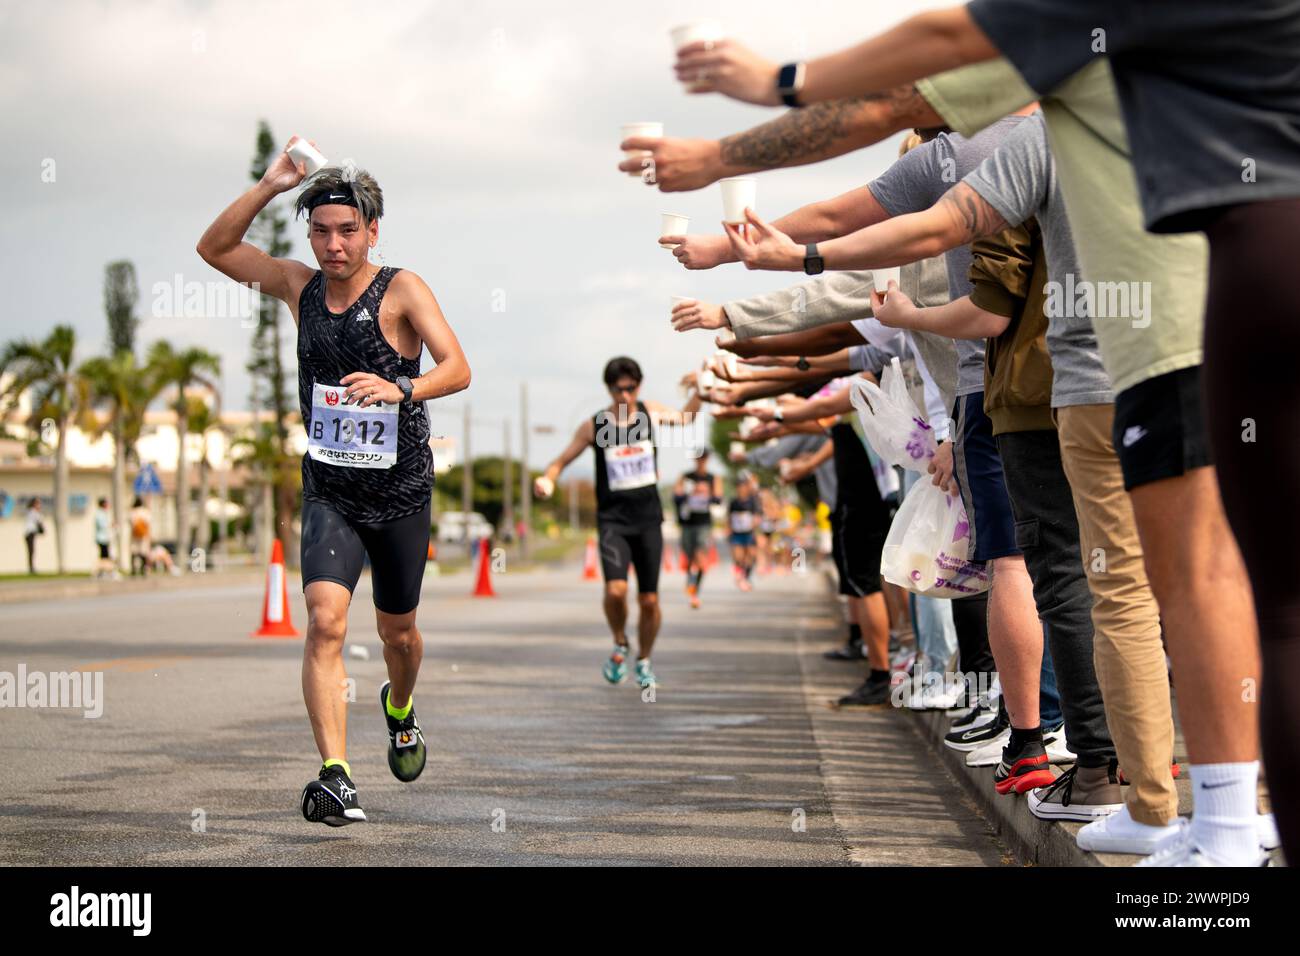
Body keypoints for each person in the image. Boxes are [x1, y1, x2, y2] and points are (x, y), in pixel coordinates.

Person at [197, 136, 471, 827]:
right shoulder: (299, 287)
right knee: (324, 621)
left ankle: (400, 709)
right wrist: (269, 184)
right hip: (330, 491)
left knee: (399, 635)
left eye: (347, 230)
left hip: (402, 492)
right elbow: (216, 250)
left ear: (372, 229)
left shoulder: (402, 288)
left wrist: (400, 387)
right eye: (320, 230)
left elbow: (458, 368)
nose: (333, 244)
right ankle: (337, 775)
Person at [535, 357, 702, 689]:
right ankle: (619, 641)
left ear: (638, 386)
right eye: (617, 389)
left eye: (630, 388)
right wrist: (547, 479)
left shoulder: (649, 412)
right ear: (608, 390)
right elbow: (561, 461)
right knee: (615, 590)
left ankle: (643, 659)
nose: (624, 395)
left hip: (648, 521)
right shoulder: (595, 426)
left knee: (649, 600)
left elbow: (687, 418)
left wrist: (702, 388)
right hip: (613, 522)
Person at [673, 447, 723, 608]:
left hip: (704, 523)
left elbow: (718, 499)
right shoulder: (685, 477)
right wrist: (691, 491)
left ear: (707, 459)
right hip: (687, 523)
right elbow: (676, 496)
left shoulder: (713, 478)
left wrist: (707, 493)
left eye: (703, 458)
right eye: (697, 458)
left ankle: (695, 592)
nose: (700, 461)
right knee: (689, 558)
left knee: (700, 557)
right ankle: (690, 579)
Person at [727, 472, 760, 591]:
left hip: (749, 533)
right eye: (739, 486)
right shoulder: (733, 502)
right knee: (739, 557)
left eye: (743, 485)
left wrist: (755, 523)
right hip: (737, 534)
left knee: (750, 555)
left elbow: (757, 515)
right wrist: (728, 530)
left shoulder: (753, 501)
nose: (741, 488)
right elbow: (729, 517)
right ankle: (741, 576)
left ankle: (745, 577)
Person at [93, 497, 117, 579]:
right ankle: (105, 572)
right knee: (105, 556)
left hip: (105, 538)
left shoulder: (104, 513)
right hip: (101, 538)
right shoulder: (99, 513)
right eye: (106, 503)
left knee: (104, 556)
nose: (108, 505)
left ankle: (103, 572)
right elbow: (102, 525)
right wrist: (111, 525)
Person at [128, 496, 152, 577]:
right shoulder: (145, 511)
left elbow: (130, 522)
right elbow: (148, 522)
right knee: (143, 552)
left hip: (134, 535)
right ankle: (143, 569)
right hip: (143, 536)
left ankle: (134, 570)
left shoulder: (132, 512)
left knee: (134, 552)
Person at [23, 497, 44, 575]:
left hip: (30, 533)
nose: (39, 505)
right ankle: (31, 569)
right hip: (30, 533)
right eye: (38, 504)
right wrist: (42, 530)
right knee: (31, 551)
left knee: (31, 551)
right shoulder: (33, 512)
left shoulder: (30, 512)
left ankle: (31, 568)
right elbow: (39, 522)